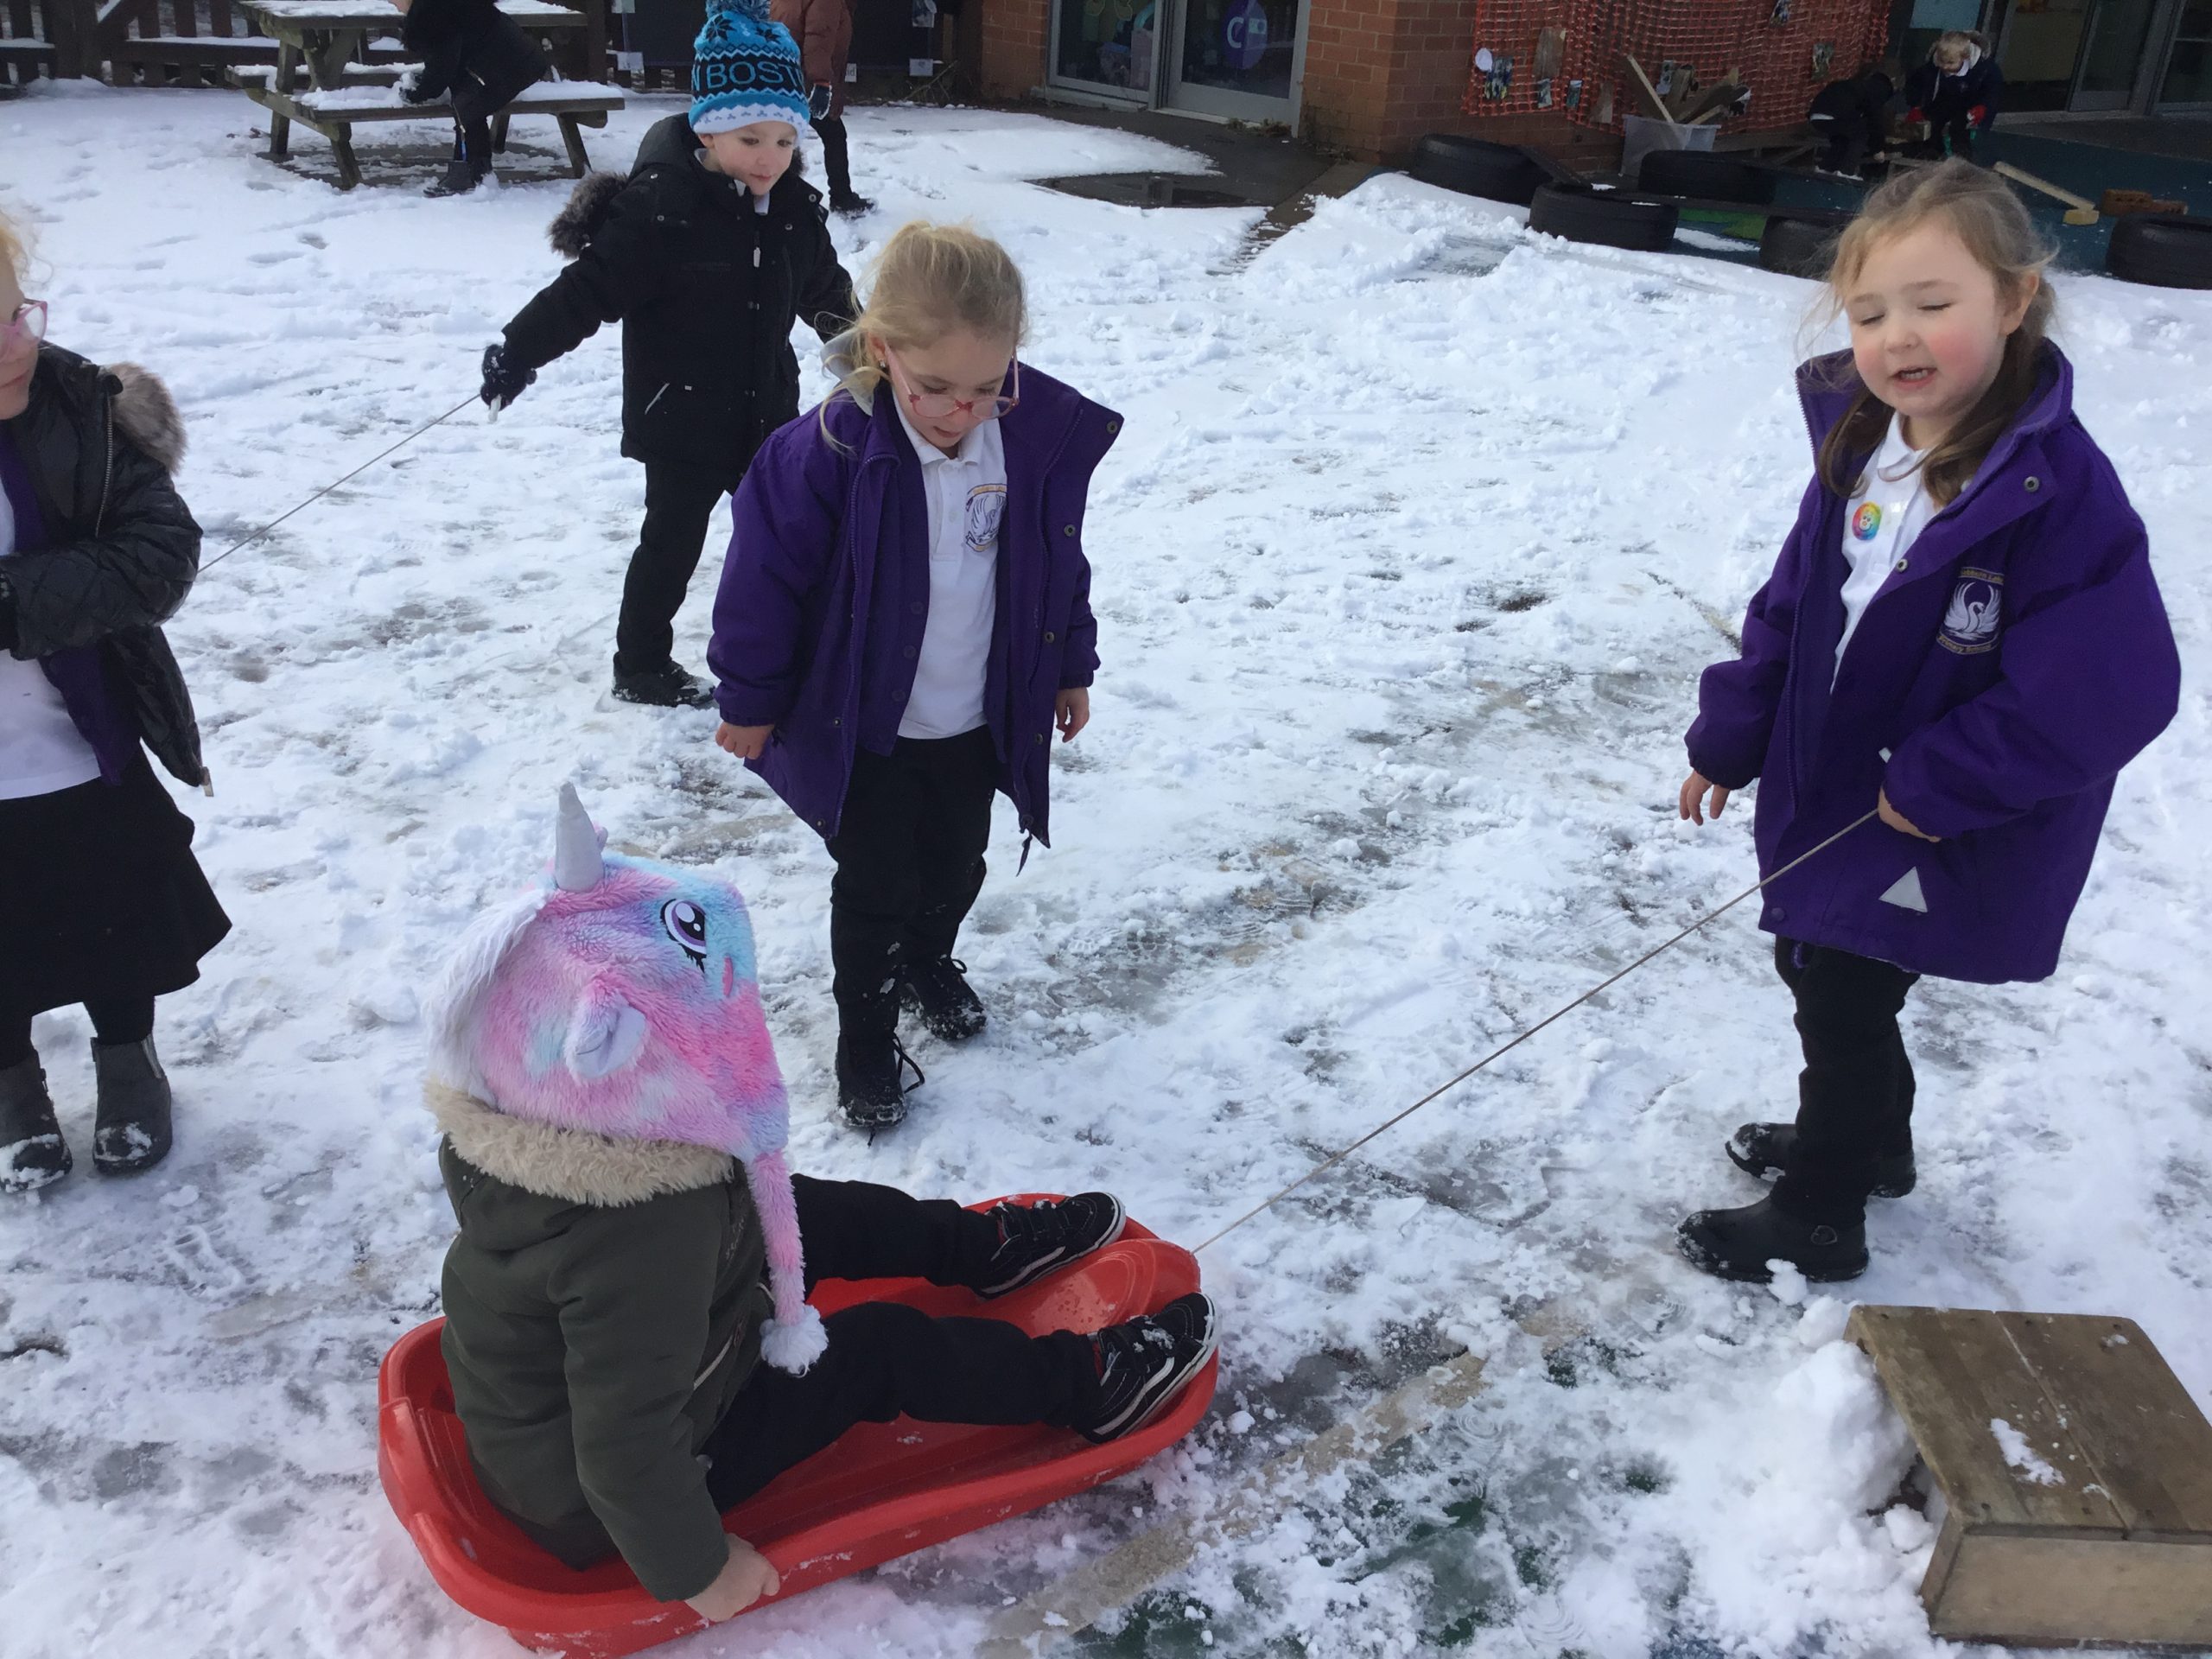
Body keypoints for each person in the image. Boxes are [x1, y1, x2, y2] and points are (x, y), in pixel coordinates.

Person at [425, 789, 1218, 1619]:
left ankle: (977, 1251)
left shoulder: (561, 1130)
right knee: (877, 1349)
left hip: (638, 1377)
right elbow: (623, 1447)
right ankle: (1089, 1387)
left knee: (807, 1213)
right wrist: (696, 1570)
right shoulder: (642, 1237)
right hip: (609, 1501)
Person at [1672, 160, 2178, 1284]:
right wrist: (1733, 731)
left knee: (1846, 987)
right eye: (1869, 312)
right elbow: (1798, 602)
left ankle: (1819, 1214)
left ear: (2013, 300)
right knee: (1821, 966)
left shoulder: (2055, 495)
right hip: (1834, 777)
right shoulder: (1865, 448)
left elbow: (2117, 681)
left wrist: (1948, 780)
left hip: (1936, 808)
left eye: (1934, 304)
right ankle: (1871, 1144)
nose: (1899, 336)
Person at [708, 223, 1116, 1128]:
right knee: (874, 886)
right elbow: (761, 583)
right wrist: (749, 696)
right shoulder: (827, 454)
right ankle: (864, 1034)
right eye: (933, 387)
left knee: (956, 866)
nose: (959, 411)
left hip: (974, 714)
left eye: (986, 387)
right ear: (882, 350)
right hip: (868, 727)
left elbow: (1058, 562)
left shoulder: (1024, 443)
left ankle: (930, 957)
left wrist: (1068, 664)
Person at [478, 0, 853, 709]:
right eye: (750, 139)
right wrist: (519, 349)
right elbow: (588, 290)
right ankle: (642, 664)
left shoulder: (796, 210)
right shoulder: (662, 209)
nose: (769, 158)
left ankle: (790, 654)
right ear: (709, 130)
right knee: (671, 546)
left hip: (766, 412)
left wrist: (876, 367)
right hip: (678, 417)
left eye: (783, 140)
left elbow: (828, 296)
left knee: (789, 541)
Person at [0, 213, 229, 1192]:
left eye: (14, 312)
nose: (18, 341)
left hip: (76, 739)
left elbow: (159, 550)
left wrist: (14, 603)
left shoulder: (81, 405)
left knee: (110, 911)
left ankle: (128, 1063)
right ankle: (12, 1091)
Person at [391, 0, 550, 198]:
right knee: (465, 94)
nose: (390, 2)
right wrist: (427, 83)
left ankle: (471, 174)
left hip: (515, 64)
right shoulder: (436, 9)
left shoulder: (433, 14)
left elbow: (442, 65)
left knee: (467, 103)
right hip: (514, 57)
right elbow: (447, 58)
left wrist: (420, 94)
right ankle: (474, 172)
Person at [770, 0, 872, 217]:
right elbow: (819, 41)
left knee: (779, 137)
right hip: (804, 81)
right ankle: (841, 198)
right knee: (833, 134)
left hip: (778, 78)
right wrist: (821, 83)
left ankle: (773, 195)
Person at [1904, 30, 2000, 164]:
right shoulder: (1933, 67)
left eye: (1950, 63)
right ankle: (1932, 157)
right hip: (1942, 101)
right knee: (1932, 126)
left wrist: (1983, 108)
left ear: (1965, 57)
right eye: (1941, 61)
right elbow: (1917, 85)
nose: (1944, 66)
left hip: (1969, 105)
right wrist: (1917, 106)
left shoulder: (1985, 70)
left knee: (1960, 131)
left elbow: (1992, 93)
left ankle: (1963, 163)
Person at [1808, 64, 1893, 180]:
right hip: (1834, 116)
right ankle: (1846, 172)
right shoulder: (1874, 93)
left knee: (1842, 138)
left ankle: (1825, 168)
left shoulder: (1853, 86)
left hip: (1816, 117)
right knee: (1860, 133)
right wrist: (1878, 149)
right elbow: (1875, 122)